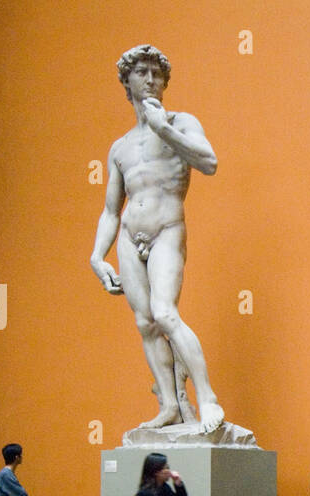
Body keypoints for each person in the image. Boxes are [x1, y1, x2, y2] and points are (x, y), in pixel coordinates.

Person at [90, 44, 224, 434]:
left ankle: (207, 398)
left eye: (157, 74)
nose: (150, 80)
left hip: (167, 228)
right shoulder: (120, 147)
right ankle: (169, 404)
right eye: (142, 72)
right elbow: (111, 210)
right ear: (127, 82)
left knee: (165, 312)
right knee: (146, 323)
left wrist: (163, 128)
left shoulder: (181, 123)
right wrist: (98, 257)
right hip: (130, 236)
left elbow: (209, 163)